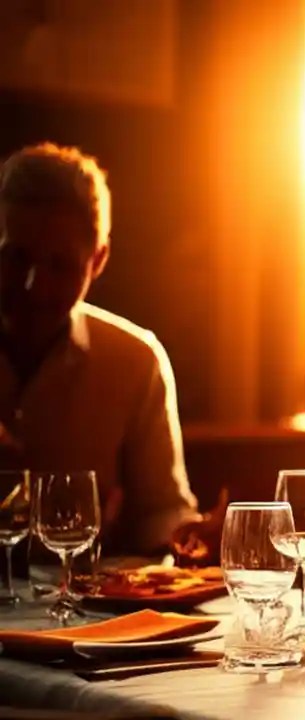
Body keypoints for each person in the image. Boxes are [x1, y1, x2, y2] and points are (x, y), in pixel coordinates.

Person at [0, 143, 199, 553]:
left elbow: (160, 509)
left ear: (99, 259)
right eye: (16, 258)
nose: (35, 287)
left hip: (86, 611)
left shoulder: (135, 362)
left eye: (61, 266)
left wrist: (187, 537)